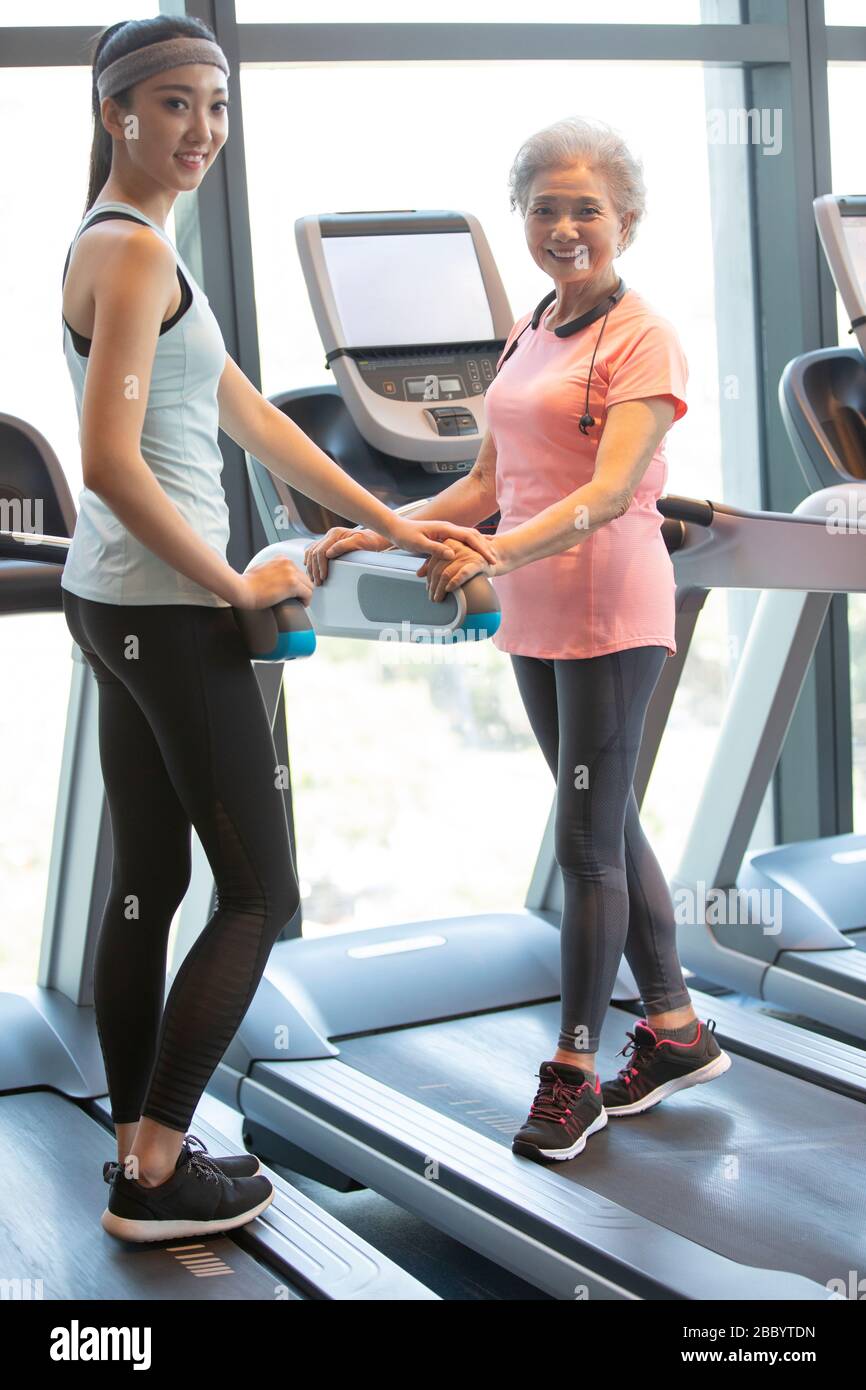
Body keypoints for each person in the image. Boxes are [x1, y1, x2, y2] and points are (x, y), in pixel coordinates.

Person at [61, 14, 496, 1242]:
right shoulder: (136, 254)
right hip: (170, 608)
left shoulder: (131, 245)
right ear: (117, 115)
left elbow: (258, 424)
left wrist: (400, 523)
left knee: (149, 882)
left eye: (216, 105)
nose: (200, 130)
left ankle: (135, 1143)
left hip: (113, 608)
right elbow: (108, 461)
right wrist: (233, 580)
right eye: (174, 106)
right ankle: (154, 1171)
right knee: (260, 894)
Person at [304, 117, 732, 1165]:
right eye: (544, 206)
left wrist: (492, 556)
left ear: (622, 219)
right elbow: (491, 487)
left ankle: (572, 1074)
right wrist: (390, 526)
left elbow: (605, 494)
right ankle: (673, 1028)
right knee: (602, 814)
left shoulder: (643, 336)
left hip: (605, 599)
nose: (563, 224)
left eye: (584, 207)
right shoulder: (531, 326)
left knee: (584, 842)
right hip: (535, 600)